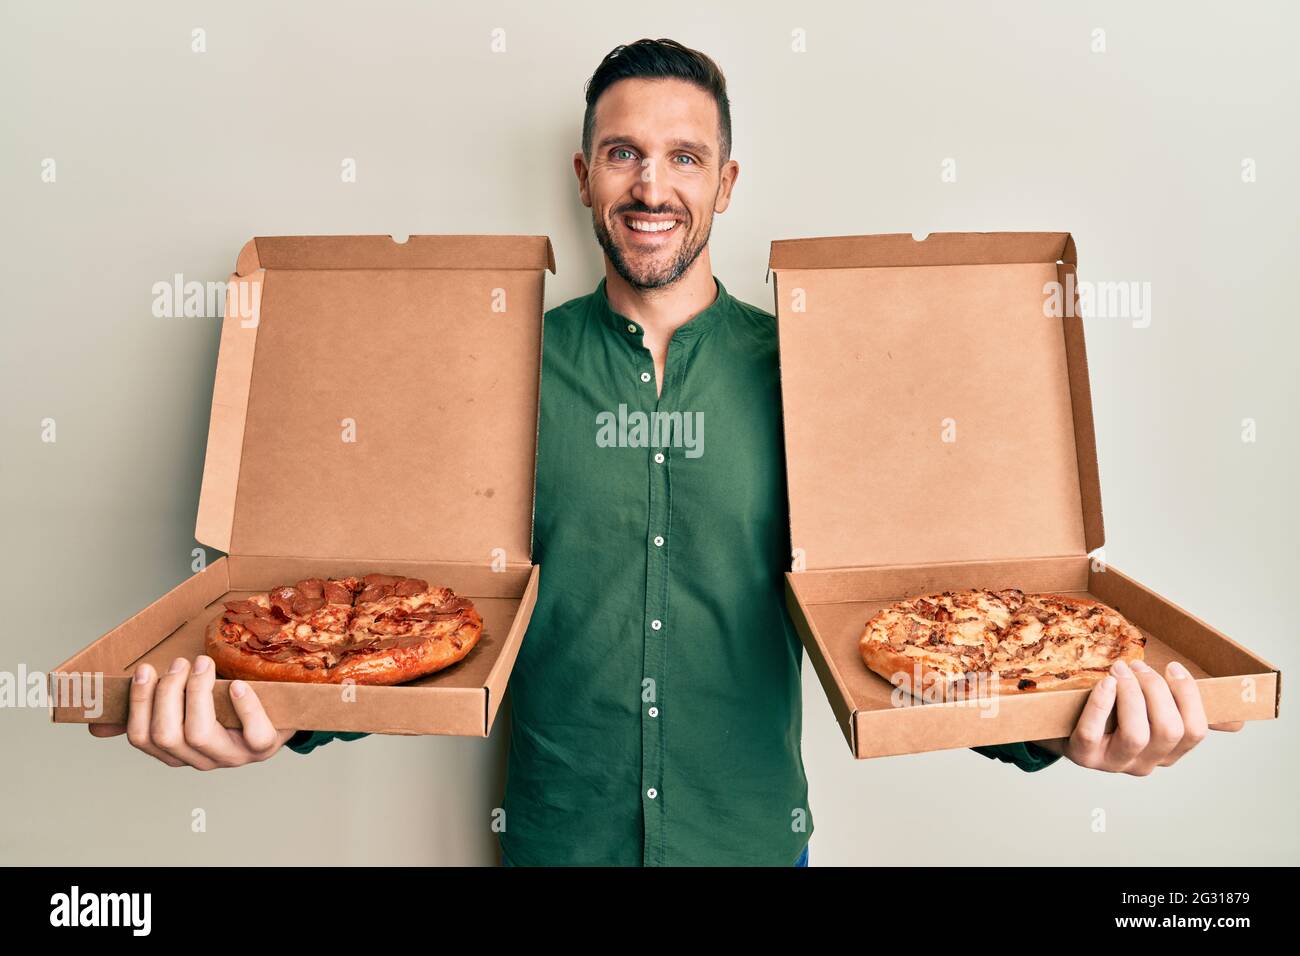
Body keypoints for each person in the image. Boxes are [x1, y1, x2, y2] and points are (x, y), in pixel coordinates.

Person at [90, 38, 1244, 866]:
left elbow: (925, 608)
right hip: (551, 843)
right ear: (583, 175)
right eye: (623, 154)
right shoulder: (485, 372)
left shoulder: (818, 375)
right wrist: (269, 708)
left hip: (750, 843)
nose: (653, 185)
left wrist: (1071, 730)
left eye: (686, 157)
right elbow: (407, 607)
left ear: (726, 184)